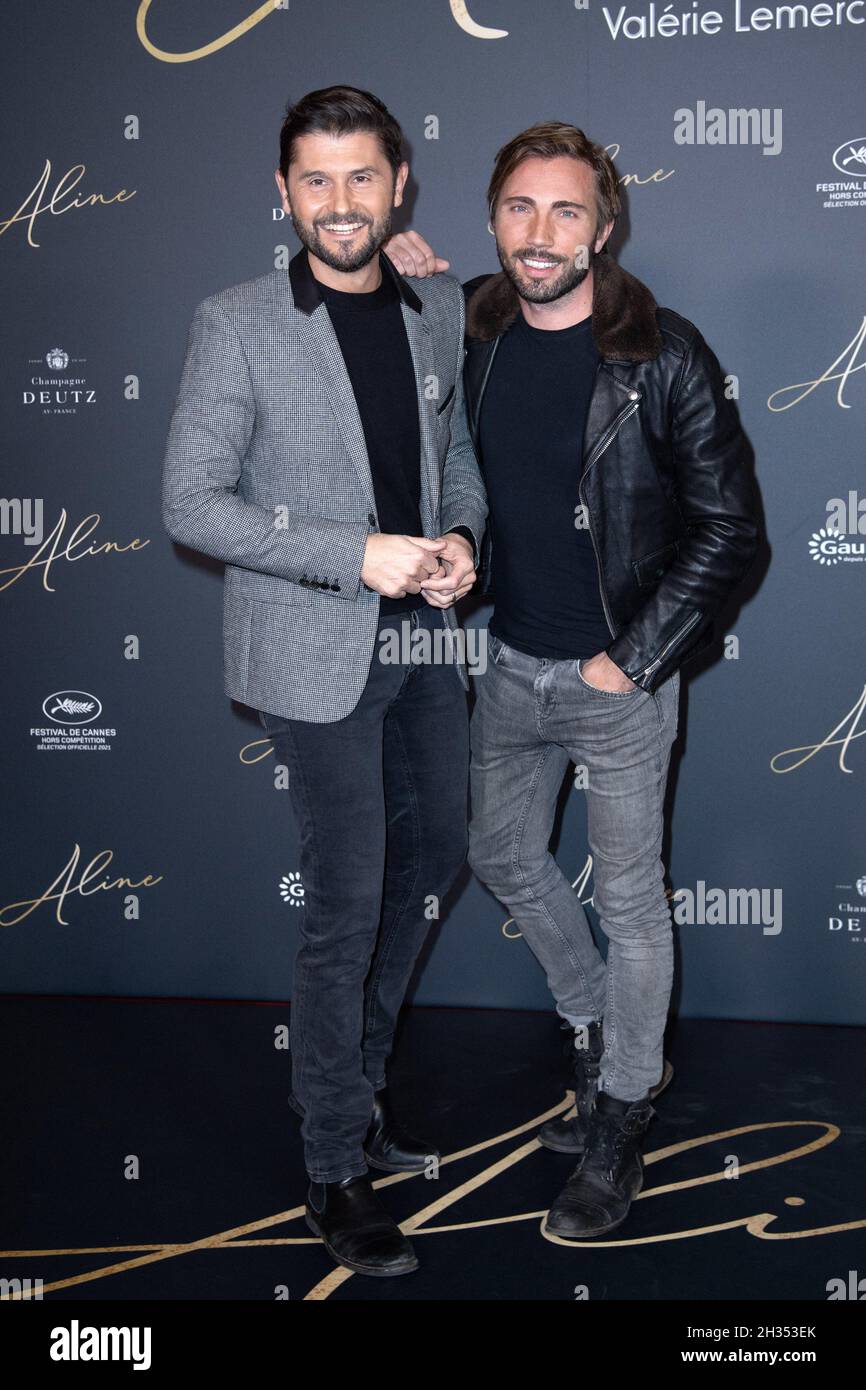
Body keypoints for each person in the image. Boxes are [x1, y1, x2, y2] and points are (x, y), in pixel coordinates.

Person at [384, 121, 759, 1239]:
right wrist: (405, 260)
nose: (537, 235)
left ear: (604, 226)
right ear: (491, 216)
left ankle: (622, 1108)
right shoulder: (478, 325)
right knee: (498, 849)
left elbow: (730, 531)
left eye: (563, 212)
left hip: (618, 679)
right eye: (517, 208)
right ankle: (595, 1026)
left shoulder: (661, 353)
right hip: (507, 661)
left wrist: (628, 659)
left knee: (632, 899)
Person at [162, 85, 486, 1277]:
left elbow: (450, 455)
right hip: (312, 652)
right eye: (315, 179)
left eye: (361, 178)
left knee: (433, 858)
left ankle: (355, 1091)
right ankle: (333, 1161)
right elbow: (192, 505)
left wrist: (457, 540)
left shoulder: (437, 303)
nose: (339, 203)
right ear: (283, 190)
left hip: (422, 643)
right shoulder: (236, 320)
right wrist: (352, 554)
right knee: (348, 898)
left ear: (399, 182)